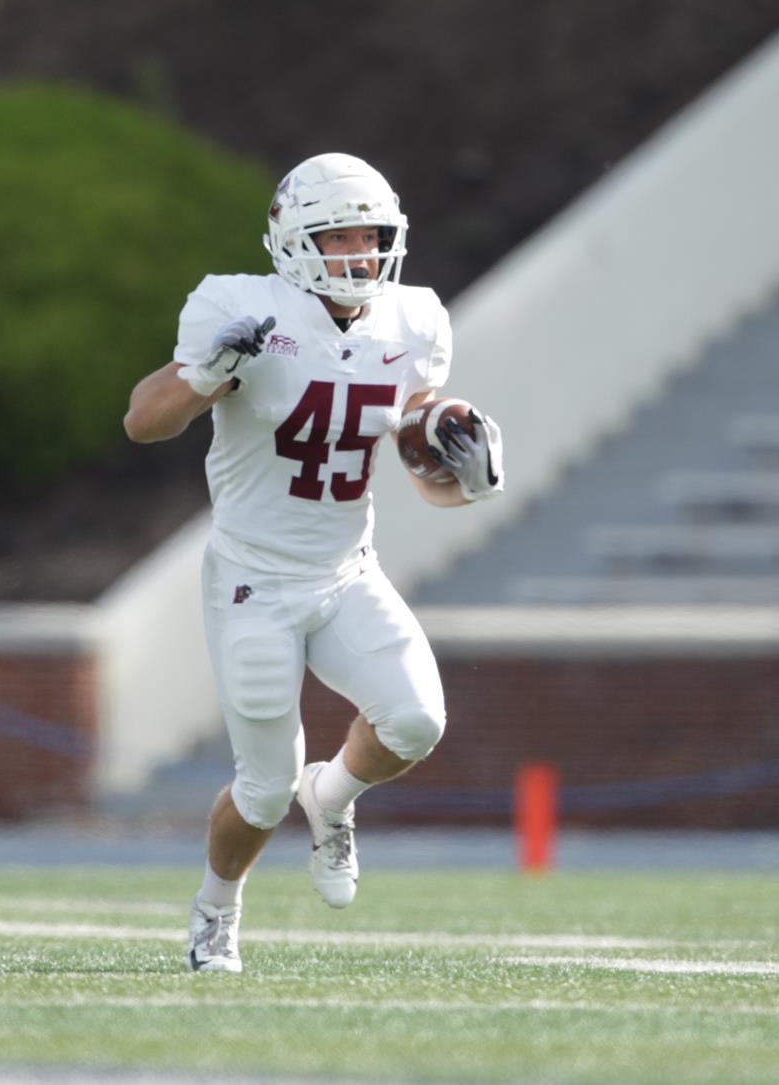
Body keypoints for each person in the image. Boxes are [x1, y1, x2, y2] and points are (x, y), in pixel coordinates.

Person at [123, 152, 505, 973]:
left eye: (372, 237)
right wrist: (206, 373)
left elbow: (421, 472)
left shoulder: (414, 321)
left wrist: (459, 464)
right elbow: (142, 421)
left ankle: (332, 799)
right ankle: (215, 910)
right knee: (262, 787)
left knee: (417, 720)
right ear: (296, 242)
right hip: (253, 577)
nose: (361, 256)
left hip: (344, 571)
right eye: (340, 238)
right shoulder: (238, 306)